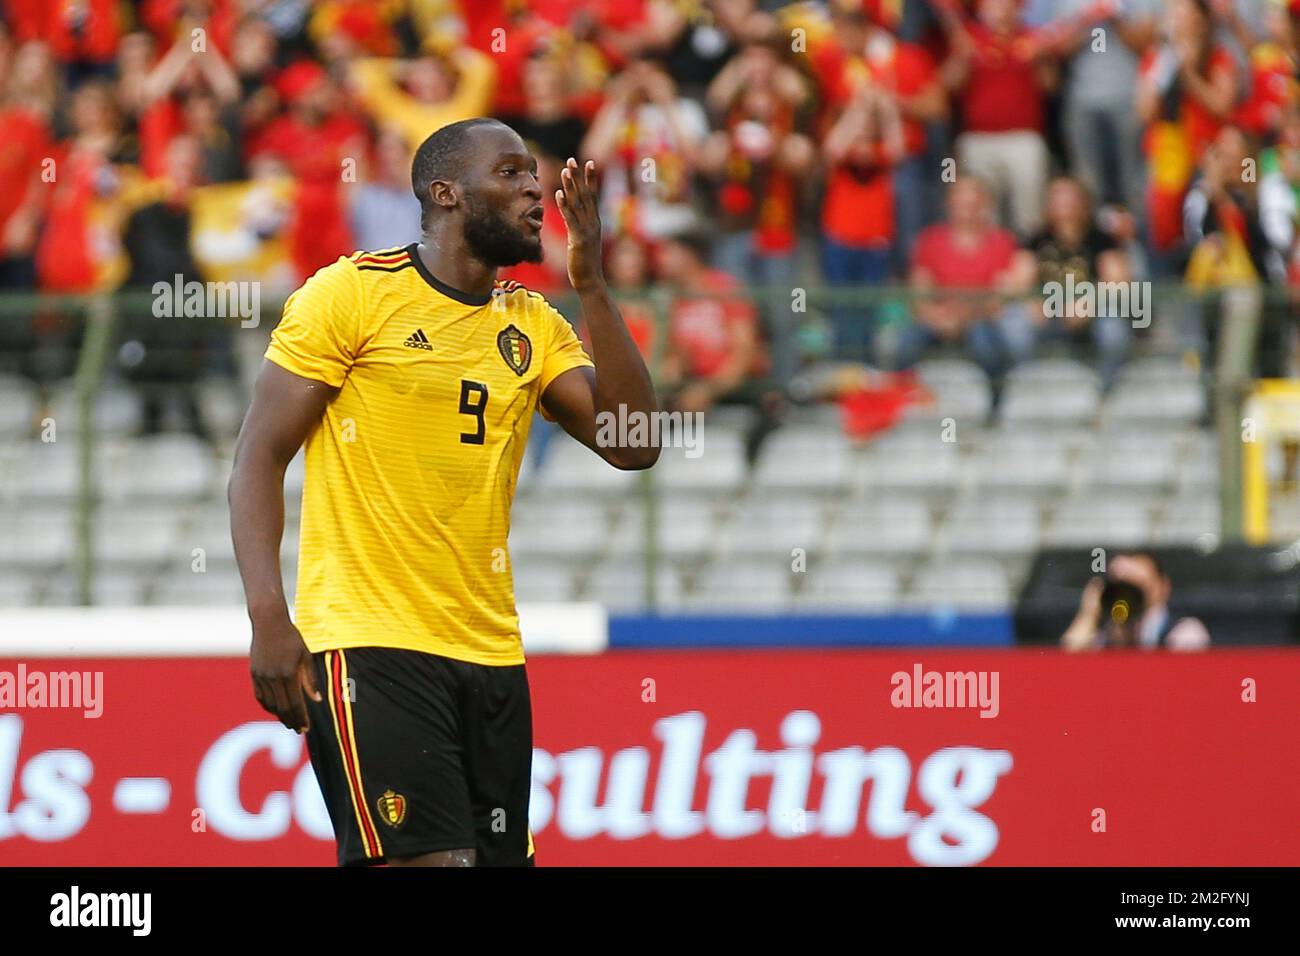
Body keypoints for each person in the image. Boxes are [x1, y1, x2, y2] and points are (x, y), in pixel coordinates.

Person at [228, 118, 659, 867]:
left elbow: (633, 441)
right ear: (446, 193)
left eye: (535, 175)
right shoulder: (351, 295)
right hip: (370, 645)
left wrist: (590, 281)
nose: (535, 189)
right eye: (513, 174)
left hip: (489, 652)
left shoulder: (534, 324)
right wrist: (269, 617)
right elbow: (257, 458)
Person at [1061, 550, 1211, 651]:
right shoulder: (1105, 636)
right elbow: (1069, 662)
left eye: (1139, 583)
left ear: (1163, 586)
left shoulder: (1184, 631)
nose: (1129, 594)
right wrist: (1089, 612)